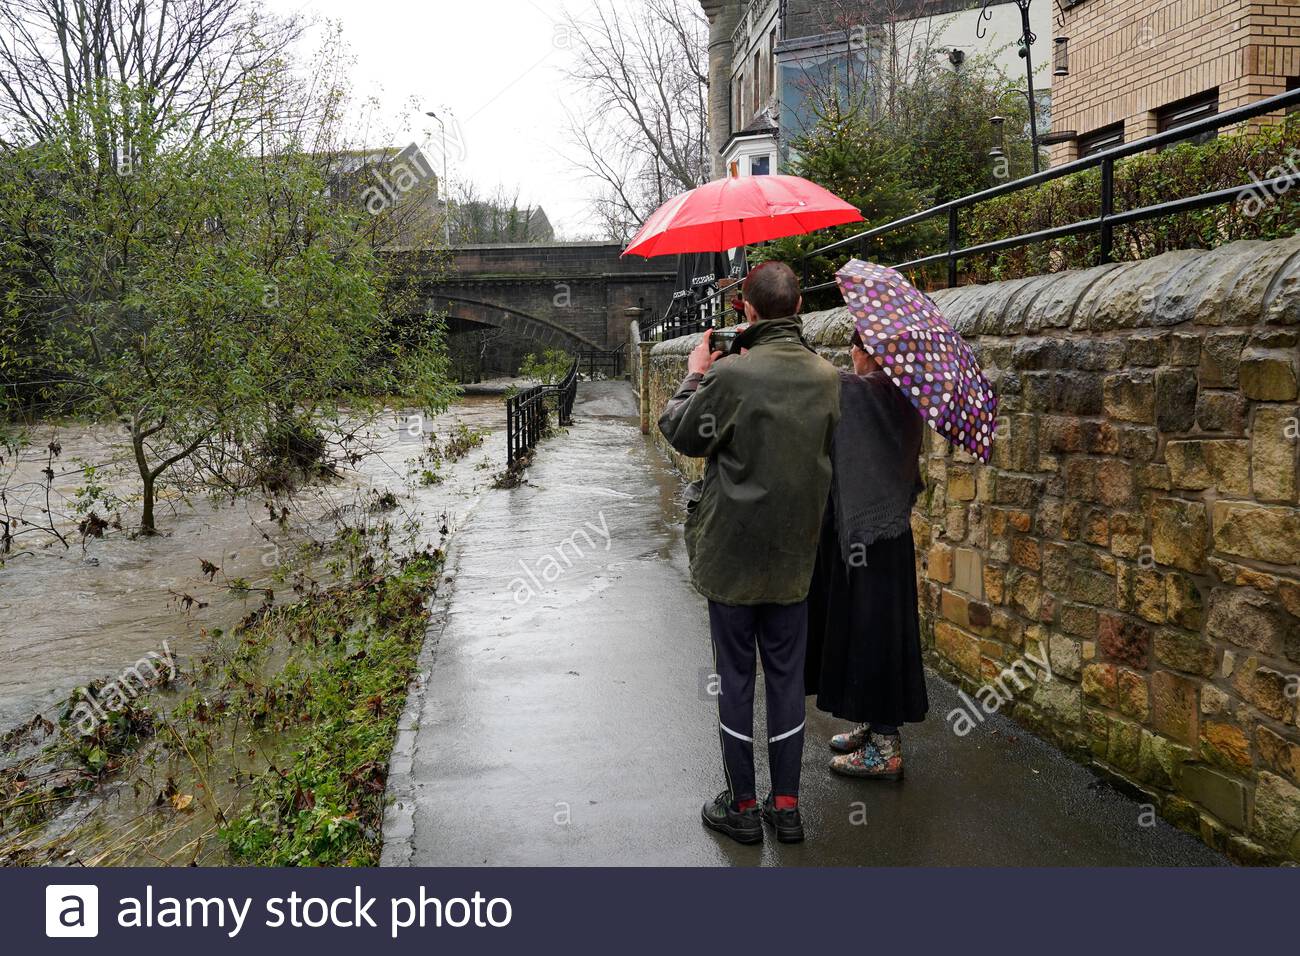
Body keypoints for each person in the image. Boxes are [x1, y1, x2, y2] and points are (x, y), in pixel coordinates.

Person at [658, 261, 840, 846]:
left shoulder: (732, 376)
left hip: (732, 556)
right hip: (795, 555)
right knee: (786, 680)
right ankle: (786, 807)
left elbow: (681, 433)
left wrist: (695, 376)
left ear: (748, 311)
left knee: (735, 677)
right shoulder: (826, 376)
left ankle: (741, 807)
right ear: (800, 309)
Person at [805, 329, 928, 780]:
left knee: (874, 633)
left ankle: (885, 746)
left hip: (869, 541)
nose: (850, 358)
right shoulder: (907, 392)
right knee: (871, 631)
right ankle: (873, 722)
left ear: (869, 352)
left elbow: (823, 382)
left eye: (854, 350)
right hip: (889, 534)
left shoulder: (868, 392)